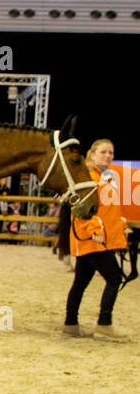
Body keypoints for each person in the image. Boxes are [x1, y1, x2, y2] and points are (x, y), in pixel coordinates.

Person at [63, 138, 130, 340]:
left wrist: (122, 227)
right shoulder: (87, 177)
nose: (108, 155)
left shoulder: (104, 178)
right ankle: (104, 323)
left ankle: (70, 324)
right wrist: (94, 228)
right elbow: (81, 206)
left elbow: (109, 210)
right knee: (114, 277)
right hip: (94, 237)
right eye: (103, 152)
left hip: (98, 237)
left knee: (81, 281)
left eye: (111, 152)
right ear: (91, 154)